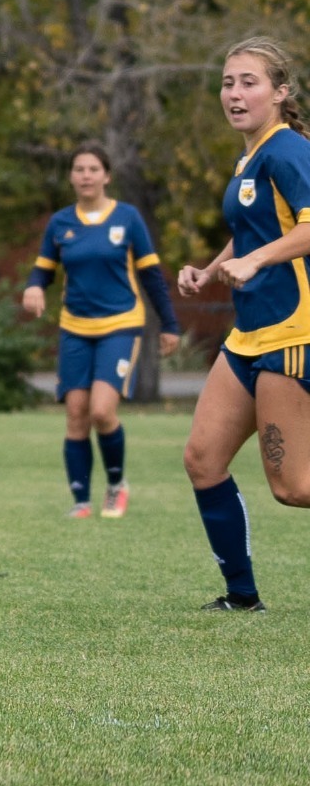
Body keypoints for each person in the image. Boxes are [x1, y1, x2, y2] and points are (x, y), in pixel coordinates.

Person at [175, 36, 310, 613]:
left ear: (281, 92)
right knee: (202, 458)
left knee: (295, 488)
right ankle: (242, 597)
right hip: (246, 336)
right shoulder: (249, 158)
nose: (234, 93)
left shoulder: (288, 151)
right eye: (228, 82)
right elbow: (256, 231)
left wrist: (254, 262)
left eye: (249, 82)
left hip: (290, 331)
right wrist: (209, 272)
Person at [21, 147, 182, 517]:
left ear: (107, 176)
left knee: (101, 412)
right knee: (76, 413)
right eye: (79, 169)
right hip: (75, 327)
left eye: (93, 169)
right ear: (71, 177)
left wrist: (170, 325)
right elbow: (42, 270)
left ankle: (116, 485)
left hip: (121, 325)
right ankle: (81, 501)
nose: (86, 175)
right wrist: (33, 287)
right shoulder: (60, 223)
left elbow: (151, 276)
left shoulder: (127, 218)